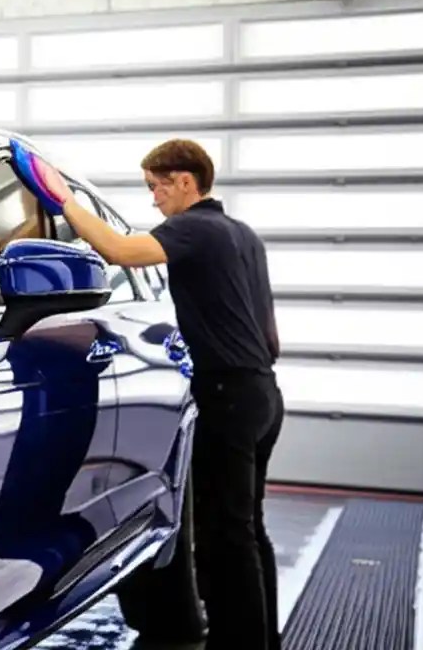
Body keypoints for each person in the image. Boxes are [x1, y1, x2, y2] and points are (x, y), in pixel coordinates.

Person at [32, 138, 283, 650]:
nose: (154, 201)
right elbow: (271, 333)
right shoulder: (243, 235)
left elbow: (120, 252)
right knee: (248, 528)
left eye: (156, 188)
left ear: (184, 182)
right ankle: (262, 640)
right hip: (263, 394)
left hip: (227, 396)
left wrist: (64, 202)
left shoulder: (192, 228)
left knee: (222, 538)